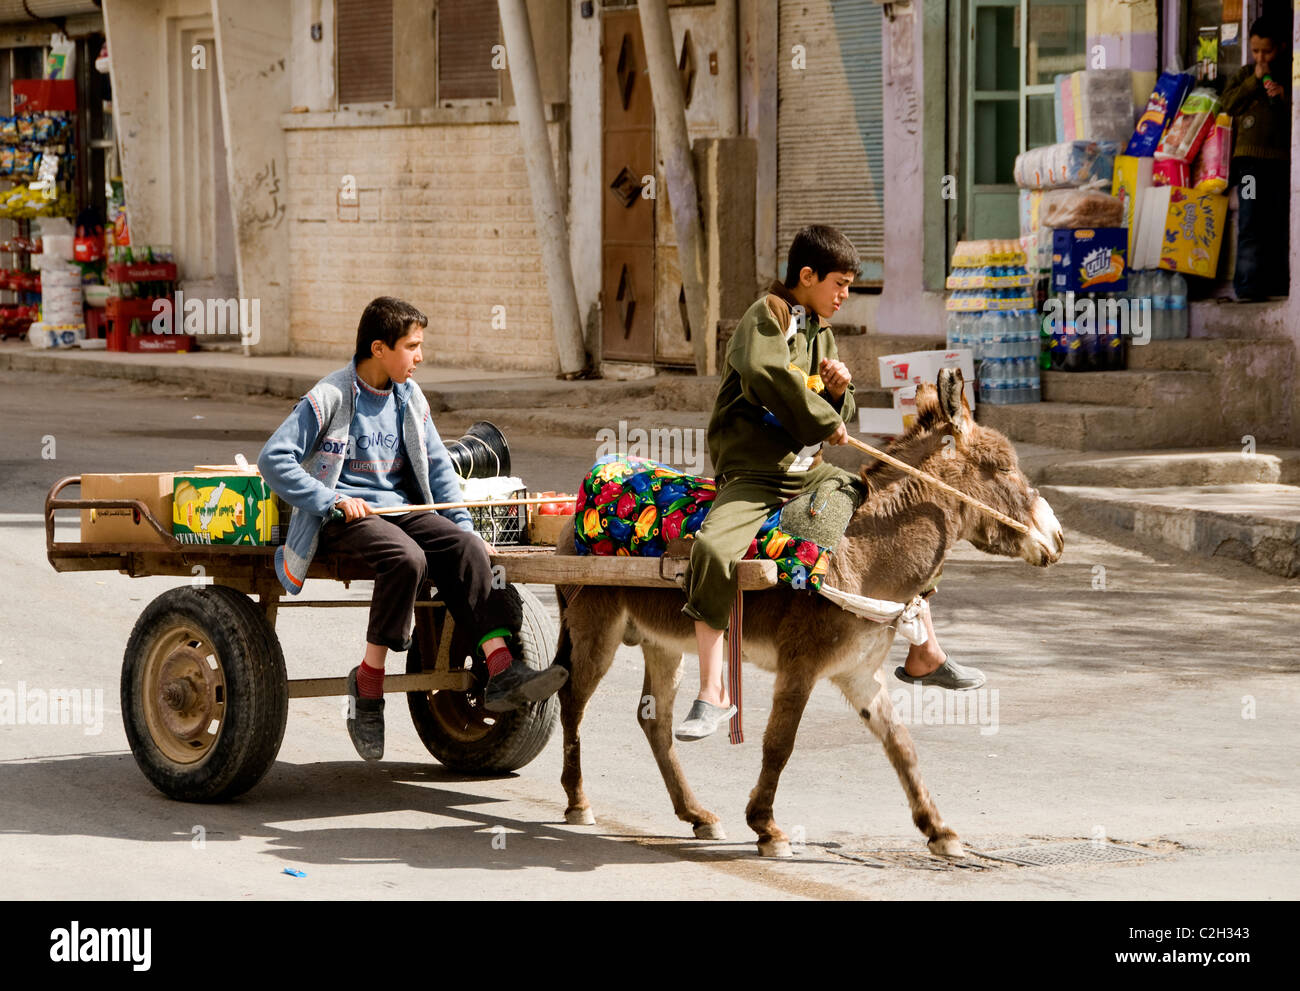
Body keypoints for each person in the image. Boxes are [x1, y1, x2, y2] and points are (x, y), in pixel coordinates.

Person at [675, 226, 981, 742]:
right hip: (755, 474)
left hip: (807, 470)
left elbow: (833, 407)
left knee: (899, 515)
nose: (844, 296)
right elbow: (764, 373)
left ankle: (925, 650)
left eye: (849, 286)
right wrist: (823, 416)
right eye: (839, 284)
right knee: (712, 549)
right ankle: (713, 691)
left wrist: (838, 392)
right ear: (807, 275)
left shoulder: (821, 329)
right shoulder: (765, 317)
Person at [257, 296, 568, 760]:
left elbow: (439, 467)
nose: (419, 357)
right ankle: (367, 686)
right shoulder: (332, 396)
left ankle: (502, 671)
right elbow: (273, 459)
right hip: (343, 518)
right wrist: (334, 499)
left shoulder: (409, 397)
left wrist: (463, 524)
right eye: (412, 346)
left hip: (404, 512)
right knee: (407, 559)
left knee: (465, 548)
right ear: (379, 348)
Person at [1220, 17, 1291, 300]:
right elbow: (1228, 103)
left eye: (1267, 52)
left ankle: (1275, 284)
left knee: (1275, 223)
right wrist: (1254, 80)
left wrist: (1283, 96)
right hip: (1248, 166)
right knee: (1250, 221)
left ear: (1281, 48)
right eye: (1256, 51)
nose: (1261, 57)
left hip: (1278, 164)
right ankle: (1248, 287)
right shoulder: (1244, 75)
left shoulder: (1288, 76)